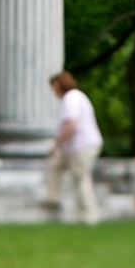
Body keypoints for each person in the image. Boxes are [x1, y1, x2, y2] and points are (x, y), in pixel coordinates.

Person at [45, 69, 104, 224]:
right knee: (54, 165)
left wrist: (57, 143)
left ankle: (89, 215)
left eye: (54, 87)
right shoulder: (76, 97)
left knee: (80, 179)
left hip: (82, 146)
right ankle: (53, 200)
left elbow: (71, 124)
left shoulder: (71, 98)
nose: (53, 91)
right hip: (73, 147)